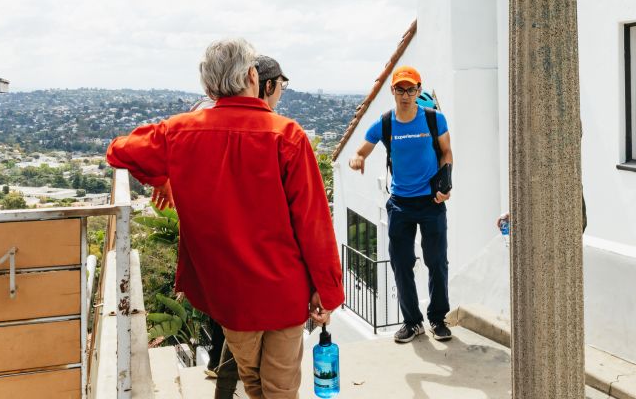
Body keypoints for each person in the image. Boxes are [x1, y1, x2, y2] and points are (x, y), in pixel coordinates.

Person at [107, 39, 343, 399]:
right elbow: (313, 224)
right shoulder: (287, 136)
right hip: (283, 291)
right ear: (252, 75)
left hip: (230, 294)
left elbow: (119, 151)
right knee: (280, 388)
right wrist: (327, 290)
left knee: (254, 383)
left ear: (208, 86)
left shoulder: (179, 131)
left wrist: (161, 178)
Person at [347, 65, 454, 343]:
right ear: (393, 91)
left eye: (410, 89)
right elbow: (361, 150)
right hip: (400, 205)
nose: (405, 94)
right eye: (400, 89)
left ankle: (438, 319)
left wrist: (445, 183)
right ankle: (412, 322)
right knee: (401, 264)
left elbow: (446, 153)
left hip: (431, 202)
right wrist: (357, 160)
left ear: (418, 91)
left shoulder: (434, 120)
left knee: (437, 262)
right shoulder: (384, 123)